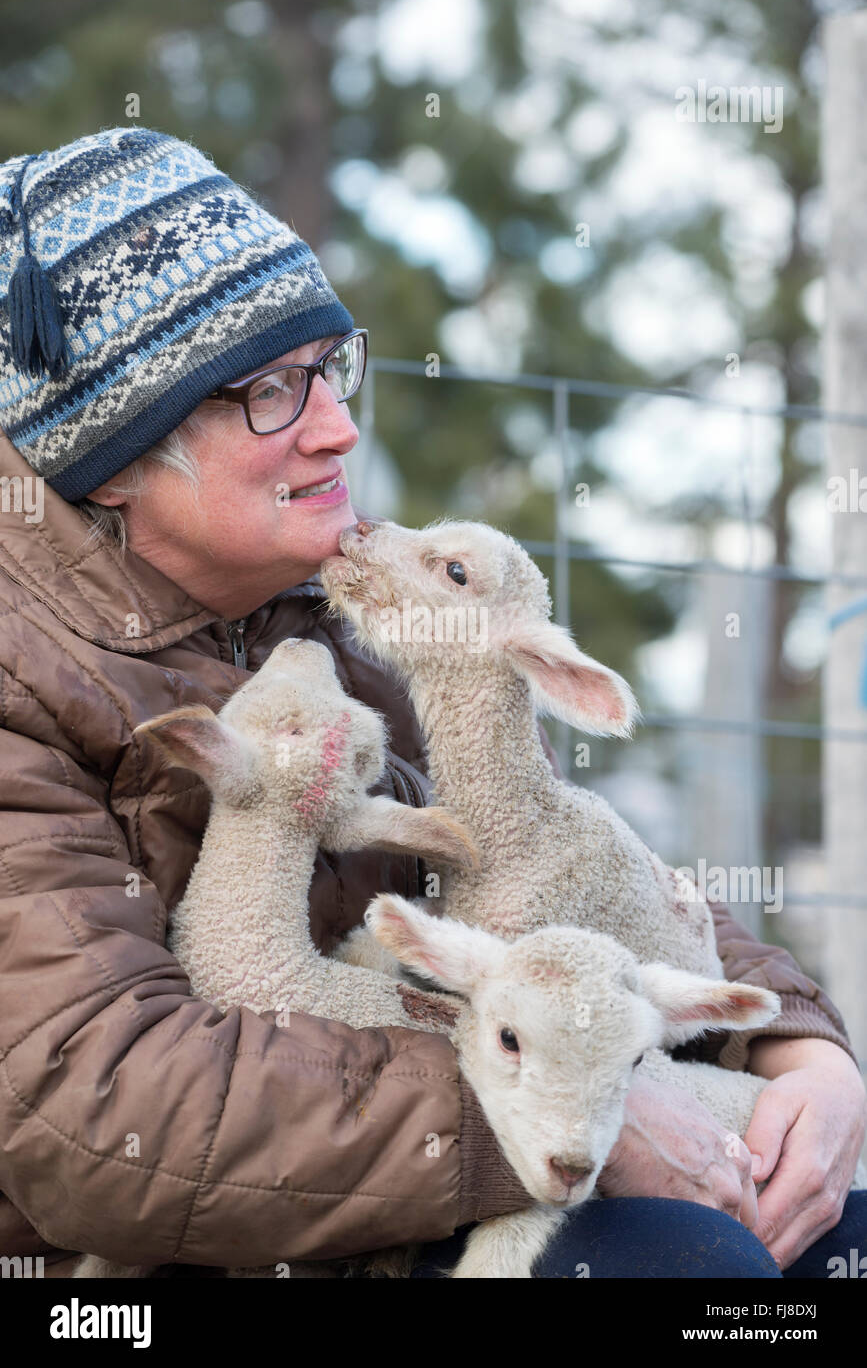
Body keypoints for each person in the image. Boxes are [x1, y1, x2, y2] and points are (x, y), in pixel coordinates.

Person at [0, 127, 863, 1279]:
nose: (337, 425)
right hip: (188, 1258)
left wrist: (796, 1048)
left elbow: (560, 857)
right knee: (689, 1271)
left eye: (329, 365)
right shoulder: (25, 682)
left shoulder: (347, 613)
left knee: (843, 1240)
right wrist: (546, 1105)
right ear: (110, 456)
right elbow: (96, 1102)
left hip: (425, 1173)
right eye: (268, 390)